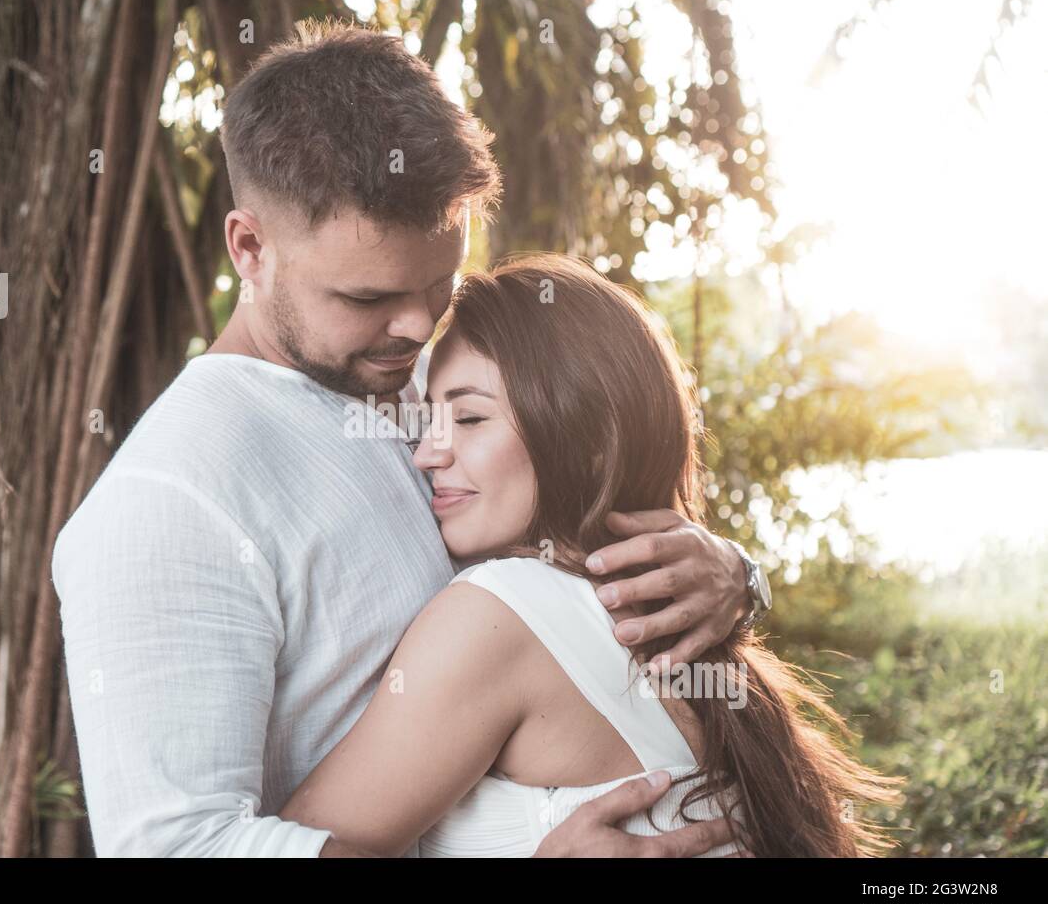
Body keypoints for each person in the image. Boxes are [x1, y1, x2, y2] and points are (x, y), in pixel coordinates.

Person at [53, 21, 757, 857]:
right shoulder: (170, 498)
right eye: (368, 296)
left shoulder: (418, 390)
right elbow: (172, 850)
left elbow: (565, 555)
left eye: (439, 282)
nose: (417, 324)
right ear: (250, 248)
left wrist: (733, 573)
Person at [279, 254, 901, 857]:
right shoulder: (673, 624)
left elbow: (263, 850)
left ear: (589, 445)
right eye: (430, 420)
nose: (427, 454)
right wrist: (746, 577)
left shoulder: (496, 614)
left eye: (469, 418)